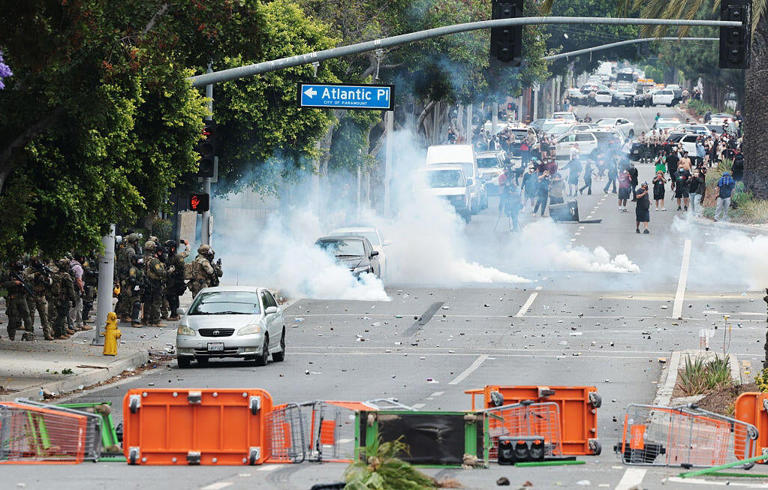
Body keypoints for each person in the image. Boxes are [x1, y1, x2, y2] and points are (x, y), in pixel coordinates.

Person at [2, 261, 35, 341]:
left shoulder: (22, 274)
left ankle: (29, 333)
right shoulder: (7, 273)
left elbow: (28, 283)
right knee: (13, 317)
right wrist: (14, 283)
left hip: (22, 297)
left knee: (27, 315)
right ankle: (11, 336)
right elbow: (3, 284)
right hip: (13, 297)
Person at [25, 257, 54, 340]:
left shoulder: (44, 269)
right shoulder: (29, 270)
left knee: (44, 316)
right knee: (30, 316)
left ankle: (47, 334)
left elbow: (50, 281)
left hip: (41, 295)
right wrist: (35, 274)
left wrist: (47, 278)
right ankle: (29, 334)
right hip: (32, 295)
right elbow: (25, 277)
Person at [143, 240, 169, 327]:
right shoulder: (154, 261)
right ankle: (156, 321)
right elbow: (160, 272)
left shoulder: (143, 258)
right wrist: (169, 271)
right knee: (156, 302)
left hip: (146, 283)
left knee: (147, 302)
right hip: (154, 283)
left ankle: (146, 320)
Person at [51, 258, 77, 339]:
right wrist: (74, 300)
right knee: (61, 316)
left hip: (56, 298)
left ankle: (63, 332)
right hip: (64, 298)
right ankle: (58, 333)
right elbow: (71, 289)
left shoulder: (55, 274)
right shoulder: (66, 276)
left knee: (61, 315)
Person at [165, 240, 187, 321]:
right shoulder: (169, 257)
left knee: (173, 297)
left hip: (176, 281)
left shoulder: (178, 257)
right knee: (170, 297)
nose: (166, 249)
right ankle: (174, 313)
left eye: (168, 247)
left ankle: (174, 314)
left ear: (173, 248)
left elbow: (182, 269)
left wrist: (175, 274)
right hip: (170, 281)